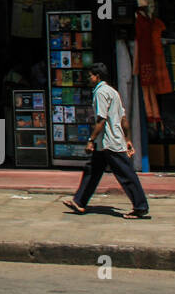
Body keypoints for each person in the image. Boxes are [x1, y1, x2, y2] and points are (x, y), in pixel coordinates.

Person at [63, 62, 150, 219]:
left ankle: (140, 206)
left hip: (110, 142)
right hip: (108, 142)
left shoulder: (101, 93)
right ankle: (80, 201)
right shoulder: (113, 92)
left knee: (126, 174)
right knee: (92, 170)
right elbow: (124, 118)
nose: (88, 79)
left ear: (97, 77)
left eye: (90, 76)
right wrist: (127, 138)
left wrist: (91, 139)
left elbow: (101, 120)